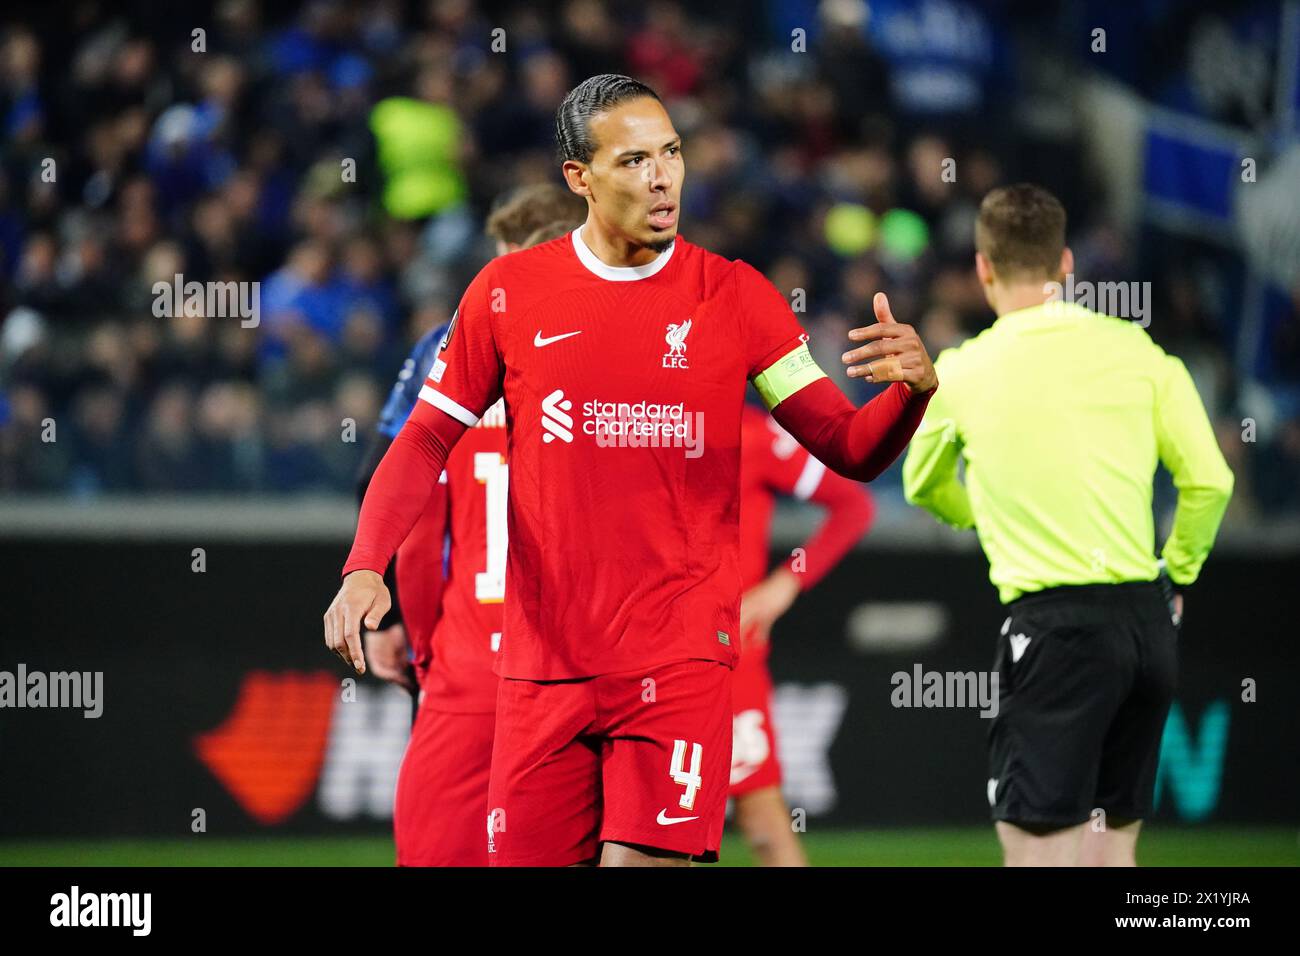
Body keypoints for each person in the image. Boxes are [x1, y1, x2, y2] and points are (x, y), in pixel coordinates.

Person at [324, 74, 937, 867]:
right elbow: (423, 441)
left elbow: (849, 447)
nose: (663, 177)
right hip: (542, 671)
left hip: (678, 660)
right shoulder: (508, 294)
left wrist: (911, 395)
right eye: (635, 160)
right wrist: (365, 565)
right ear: (579, 177)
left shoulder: (738, 297)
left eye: (673, 153)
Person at [900, 183, 1234, 867]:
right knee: (1112, 854)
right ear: (1068, 265)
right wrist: (1178, 572)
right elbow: (1211, 480)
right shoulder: (1140, 353)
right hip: (1146, 624)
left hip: (1057, 633)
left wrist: (992, 521)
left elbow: (922, 485)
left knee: (1040, 857)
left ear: (983, 268)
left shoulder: (961, 372)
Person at [359, 186, 584, 866]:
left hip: (469, 652)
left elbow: (396, 490)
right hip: (580, 663)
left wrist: (407, 627)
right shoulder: (613, 348)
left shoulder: (446, 351)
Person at [732, 403, 875, 866]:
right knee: (654, 828)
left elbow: (852, 506)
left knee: (765, 824)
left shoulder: (750, 434)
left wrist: (787, 581)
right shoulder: (627, 424)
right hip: (643, 654)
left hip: (730, 659)